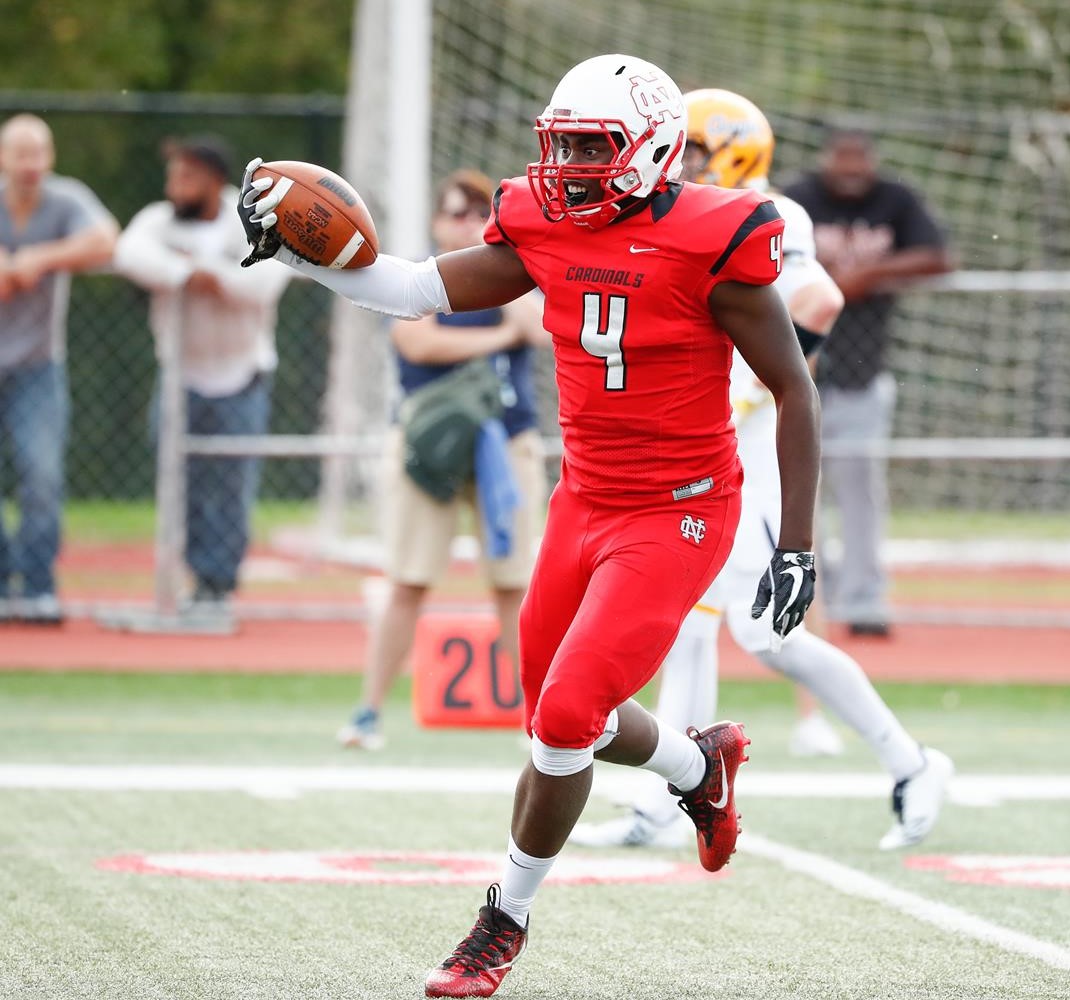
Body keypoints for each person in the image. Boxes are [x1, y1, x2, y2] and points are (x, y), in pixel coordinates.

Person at [240, 53, 820, 998]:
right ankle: (697, 764)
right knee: (559, 714)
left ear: (652, 150)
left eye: (594, 147)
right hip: (582, 501)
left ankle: (499, 925)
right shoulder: (544, 221)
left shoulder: (717, 236)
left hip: (678, 511)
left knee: (563, 720)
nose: (571, 167)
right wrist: (307, 259)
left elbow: (794, 389)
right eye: (564, 146)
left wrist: (795, 545)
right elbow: (413, 287)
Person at [571, 88, 953, 855]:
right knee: (692, 625)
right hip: (705, 455)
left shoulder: (769, 212)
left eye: (695, 150)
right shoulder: (684, 215)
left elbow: (819, 297)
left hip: (749, 458)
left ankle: (911, 763)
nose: (679, 163)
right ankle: (671, 796)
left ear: (734, 151)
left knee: (764, 634)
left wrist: (750, 388)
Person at [338, 169, 549, 751]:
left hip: (504, 441)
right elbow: (418, 341)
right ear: (436, 221)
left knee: (514, 585)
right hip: (429, 447)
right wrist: (498, 339)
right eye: (456, 212)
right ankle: (368, 712)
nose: (466, 223)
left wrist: (508, 308)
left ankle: (539, 721)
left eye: (479, 213)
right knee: (408, 578)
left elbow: (538, 328)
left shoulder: (513, 274)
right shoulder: (417, 276)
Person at [114, 136, 291, 625]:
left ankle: (217, 588)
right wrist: (185, 274)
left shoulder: (250, 219)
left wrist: (219, 279)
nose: (174, 187)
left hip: (242, 373)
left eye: (186, 177)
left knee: (231, 486)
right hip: (180, 376)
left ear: (215, 181)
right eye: (172, 176)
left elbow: (266, 278)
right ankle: (190, 580)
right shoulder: (158, 221)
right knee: (180, 484)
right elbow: (128, 253)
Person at [784, 128, 951, 637]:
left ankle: (862, 601)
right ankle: (806, 596)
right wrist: (823, 272)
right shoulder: (799, 198)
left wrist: (865, 275)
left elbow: (938, 256)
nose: (852, 169)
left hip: (863, 371)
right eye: (843, 158)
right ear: (826, 159)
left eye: (861, 159)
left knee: (860, 493)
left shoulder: (893, 199)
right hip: (792, 372)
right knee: (794, 492)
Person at [0, 113, 117, 623]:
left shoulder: (66, 200)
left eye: (39, 153)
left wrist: (37, 258)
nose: (31, 164)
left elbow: (106, 239)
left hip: (37, 365)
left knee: (41, 474)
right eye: (21, 153)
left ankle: (37, 586)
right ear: (3, 158)